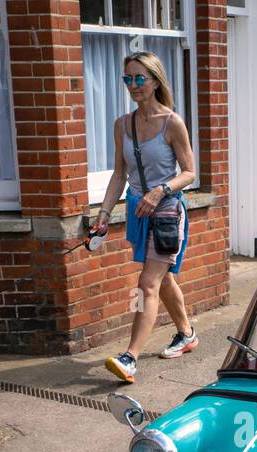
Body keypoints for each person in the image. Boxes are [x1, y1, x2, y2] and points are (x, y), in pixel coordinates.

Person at [94, 51, 197, 385]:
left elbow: (190, 172)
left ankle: (130, 358)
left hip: (166, 212)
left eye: (140, 78)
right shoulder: (122, 125)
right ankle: (186, 333)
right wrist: (105, 212)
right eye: (128, 79)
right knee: (163, 278)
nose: (134, 85)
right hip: (139, 212)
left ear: (155, 81)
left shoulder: (172, 122)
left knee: (148, 282)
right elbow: (119, 173)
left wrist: (159, 191)